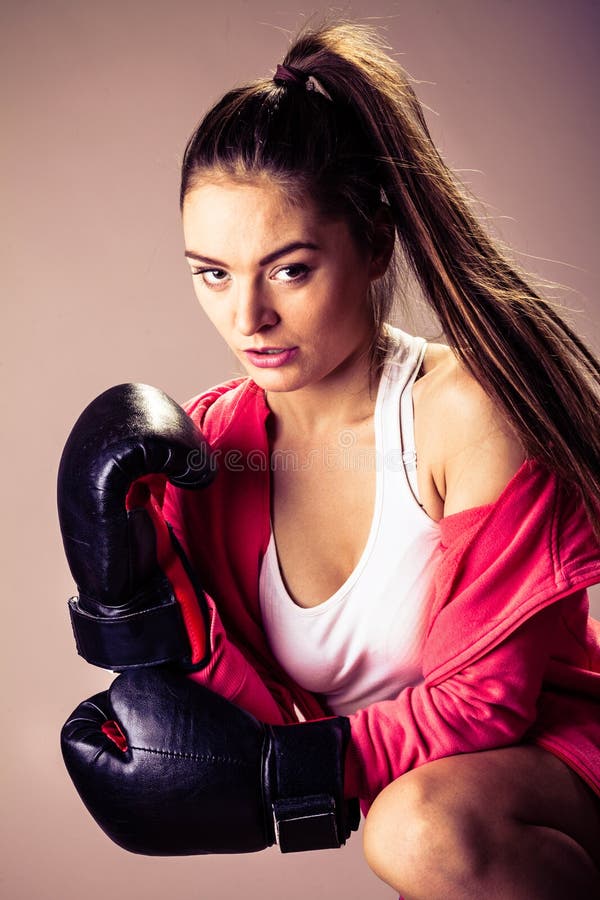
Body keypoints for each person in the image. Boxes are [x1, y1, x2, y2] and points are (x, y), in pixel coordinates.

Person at [59, 18, 600, 899]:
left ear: (374, 243)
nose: (248, 319)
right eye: (213, 273)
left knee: (416, 830)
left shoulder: (464, 414)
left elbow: (486, 708)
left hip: (548, 774)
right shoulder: (207, 456)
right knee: (409, 828)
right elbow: (238, 701)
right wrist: (124, 606)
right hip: (426, 815)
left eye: (291, 269)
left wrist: (288, 769)